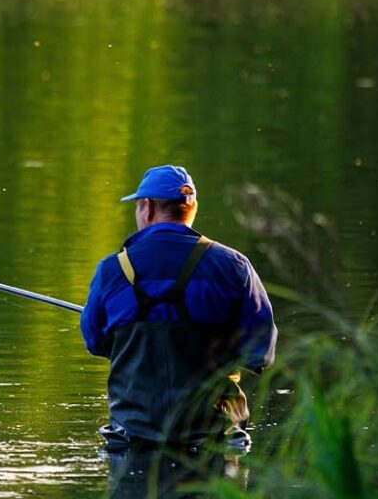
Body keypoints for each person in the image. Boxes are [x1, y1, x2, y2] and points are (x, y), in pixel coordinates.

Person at [80, 165, 276, 451]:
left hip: (134, 434)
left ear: (147, 207)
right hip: (215, 436)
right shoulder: (234, 266)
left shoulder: (112, 270)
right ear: (191, 208)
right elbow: (261, 353)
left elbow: (95, 341)